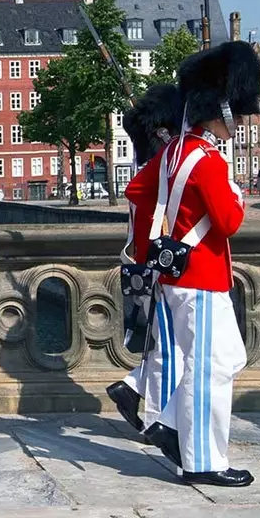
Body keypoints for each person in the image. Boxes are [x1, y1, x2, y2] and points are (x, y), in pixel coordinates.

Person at [154, 41, 260, 487]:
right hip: (199, 275)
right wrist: (237, 193)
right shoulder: (208, 160)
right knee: (207, 369)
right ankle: (202, 459)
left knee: (227, 359)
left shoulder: (178, 151)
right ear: (221, 107)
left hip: (187, 272)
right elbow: (229, 221)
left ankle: (172, 424)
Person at [105, 83, 183, 443]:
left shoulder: (155, 170)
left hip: (150, 265)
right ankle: (158, 419)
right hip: (157, 269)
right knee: (170, 348)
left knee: (170, 345)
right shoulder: (156, 175)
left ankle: (132, 387)